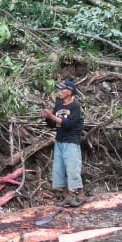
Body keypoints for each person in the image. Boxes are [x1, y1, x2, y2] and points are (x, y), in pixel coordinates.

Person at [42, 79, 85, 207]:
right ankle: (67, 196)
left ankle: (81, 195)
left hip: (71, 141)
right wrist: (46, 117)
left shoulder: (75, 106)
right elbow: (52, 124)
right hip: (59, 141)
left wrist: (52, 116)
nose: (60, 92)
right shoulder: (59, 105)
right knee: (59, 169)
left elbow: (69, 124)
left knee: (73, 168)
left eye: (62, 89)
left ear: (70, 92)